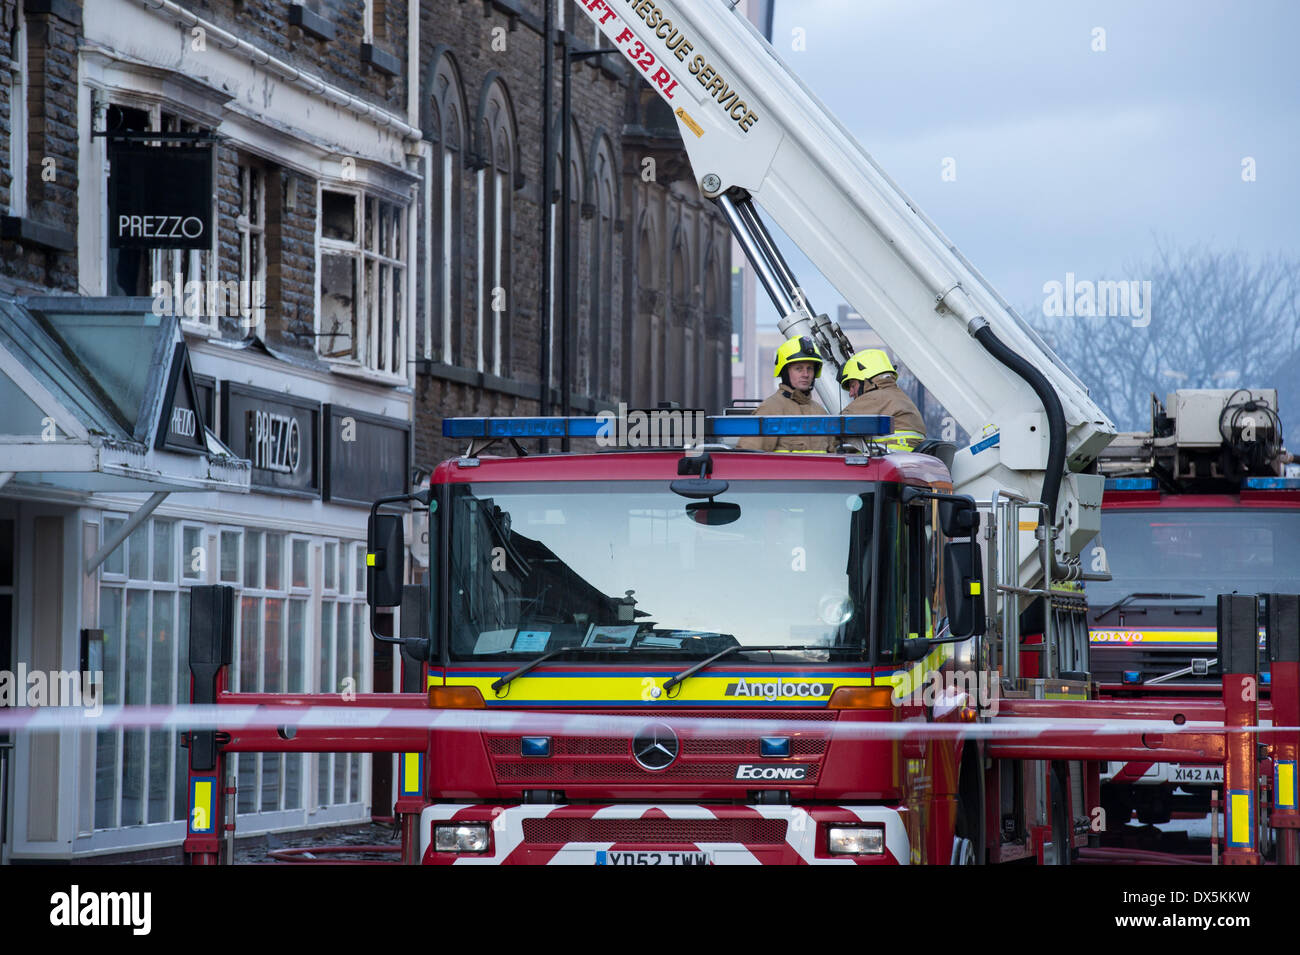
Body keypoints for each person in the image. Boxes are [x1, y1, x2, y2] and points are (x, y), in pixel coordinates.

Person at [737, 335, 834, 452]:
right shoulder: (770, 410)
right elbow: (748, 457)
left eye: (810, 368)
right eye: (799, 369)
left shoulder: (821, 413)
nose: (806, 374)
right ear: (785, 372)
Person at [839, 349, 926, 451]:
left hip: (886, 463)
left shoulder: (874, 398)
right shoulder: (901, 398)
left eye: (853, 386)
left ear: (866, 381)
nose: (851, 393)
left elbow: (836, 426)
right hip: (905, 461)